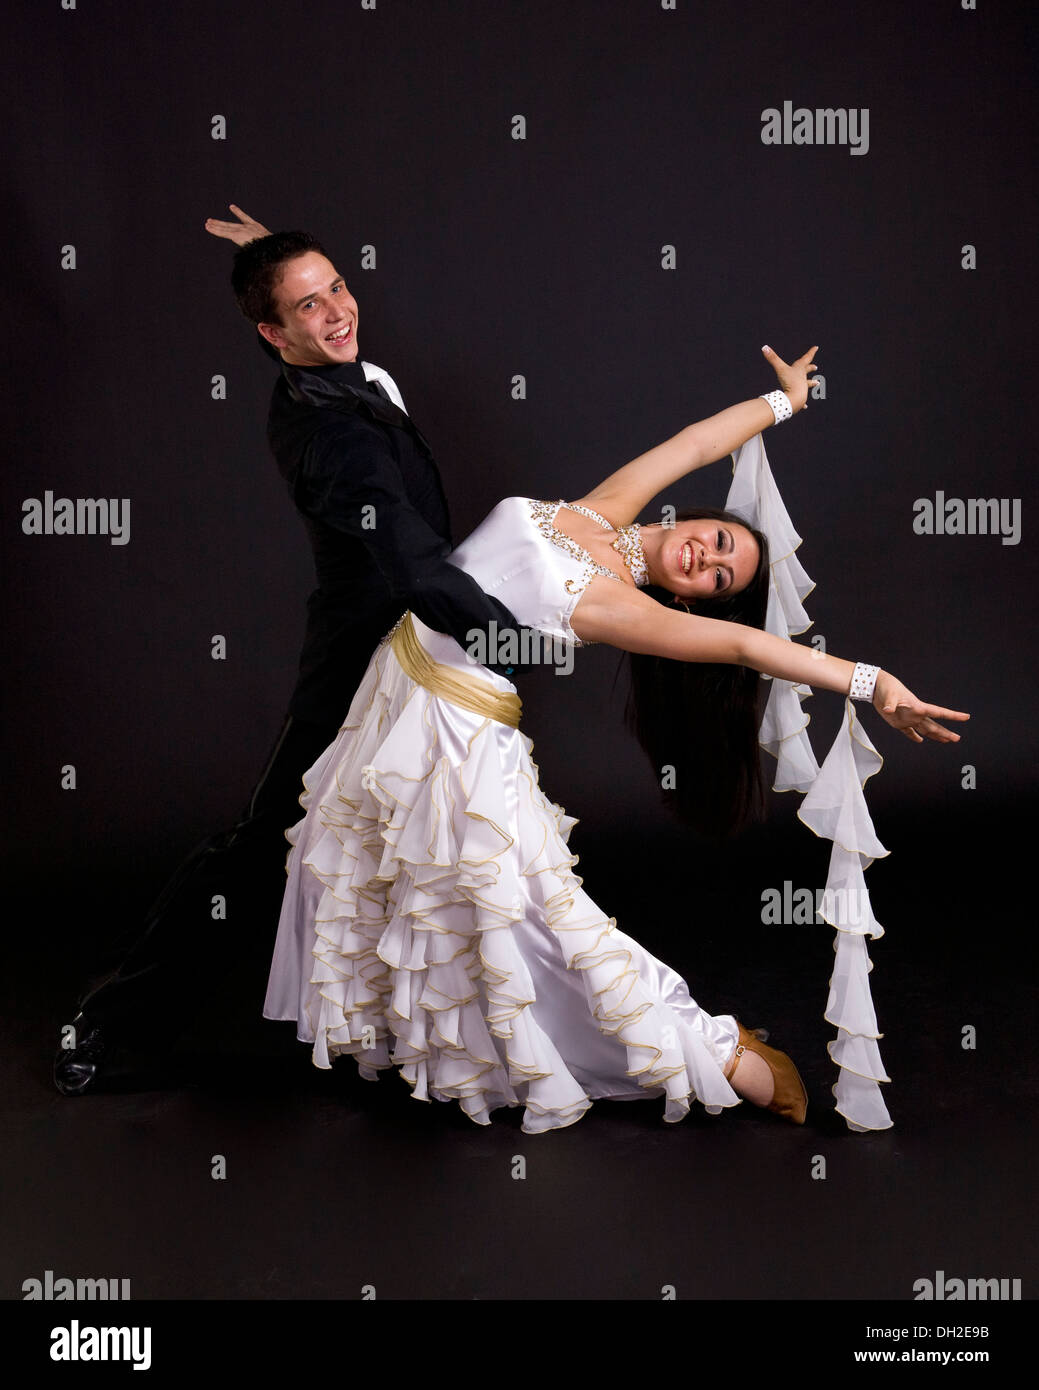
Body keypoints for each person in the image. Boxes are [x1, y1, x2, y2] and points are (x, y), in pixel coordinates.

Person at [262, 343, 969, 1131]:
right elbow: (694, 443)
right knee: (388, 883)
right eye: (719, 542)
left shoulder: (624, 608)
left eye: (716, 579)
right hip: (396, 688)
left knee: (536, 920)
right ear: (699, 520)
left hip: (454, 739)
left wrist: (870, 683)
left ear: (694, 600)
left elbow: (747, 648)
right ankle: (424, 1044)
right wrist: (785, 405)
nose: (705, 557)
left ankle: (717, 1055)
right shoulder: (602, 511)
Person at [53, 210, 539, 1095]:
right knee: (263, 846)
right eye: (309, 308)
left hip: (416, 645)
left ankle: (427, 1025)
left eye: (339, 288)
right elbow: (411, 562)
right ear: (271, 337)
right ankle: (105, 1025)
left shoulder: (332, 365)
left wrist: (268, 256)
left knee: (428, 833)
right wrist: (516, 640)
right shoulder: (335, 437)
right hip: (360, 661)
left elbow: (305, 313)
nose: (338, 312)